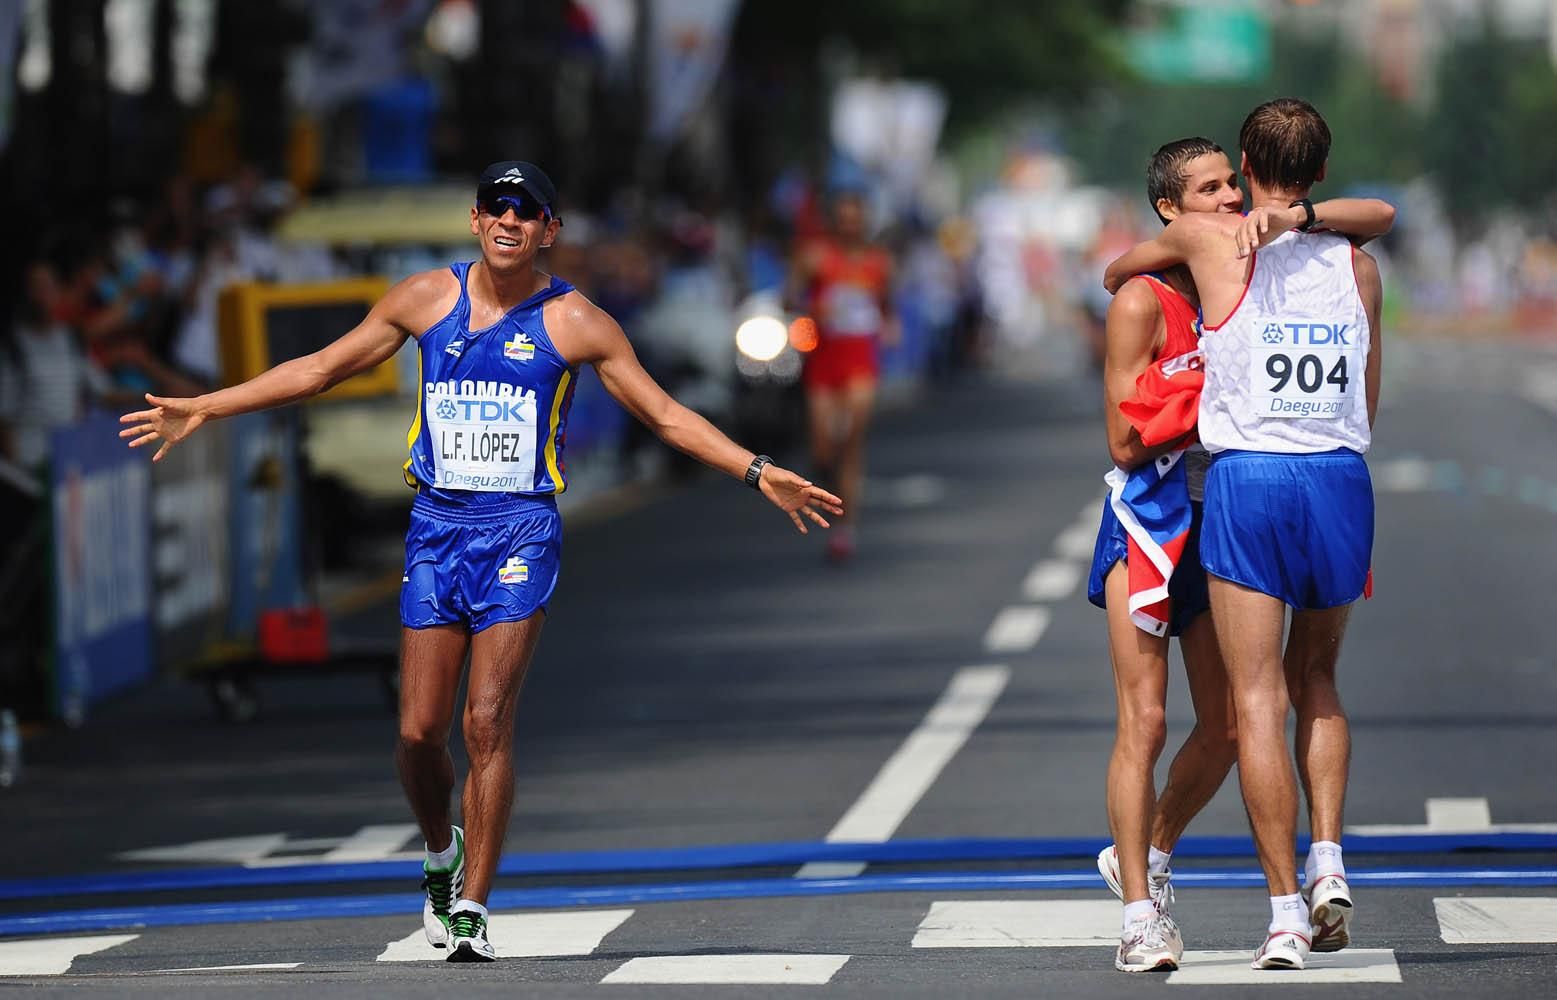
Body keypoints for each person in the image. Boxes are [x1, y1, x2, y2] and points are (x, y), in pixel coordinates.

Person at [120, 161, 843, 963]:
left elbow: (666, 414)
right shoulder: (425, 299)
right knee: (418, 732)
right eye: (497, 208)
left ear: (548, 232)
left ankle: (472, 908)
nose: (509, 221)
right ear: (475, 221)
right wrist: (207, 406)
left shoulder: (576, 322)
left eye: (526, 212)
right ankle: (441, 853)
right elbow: (320, 369)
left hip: (519, 532)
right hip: (436, 528)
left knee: (485, 720)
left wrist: (755, 469)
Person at [1089, 138, 1394, 973]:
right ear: (1169, 210)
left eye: (1233, 181)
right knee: (1145, 720)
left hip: (1228, 516)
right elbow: (1120, 437)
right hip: (1156, 521)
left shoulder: (1268, 264)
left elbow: (1368, 230)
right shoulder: (1148, 298)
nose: (1227, 198)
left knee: (1228, 726)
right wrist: (1203, 397)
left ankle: (1147, 850)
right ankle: (1139, 918)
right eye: (1208, 188)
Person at [790, 190, 897, 562]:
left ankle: (845, 528)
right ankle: (826, 475)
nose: (849, 225)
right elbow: (790, 300)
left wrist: (889, 325)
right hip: (824, 359)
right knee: (824, 446)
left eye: (856, 219)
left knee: (851, 439)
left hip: (860, 359)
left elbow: (887, 305)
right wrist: (813, 307)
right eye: (843, 219)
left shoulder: (878, 263)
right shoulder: (815, 258)